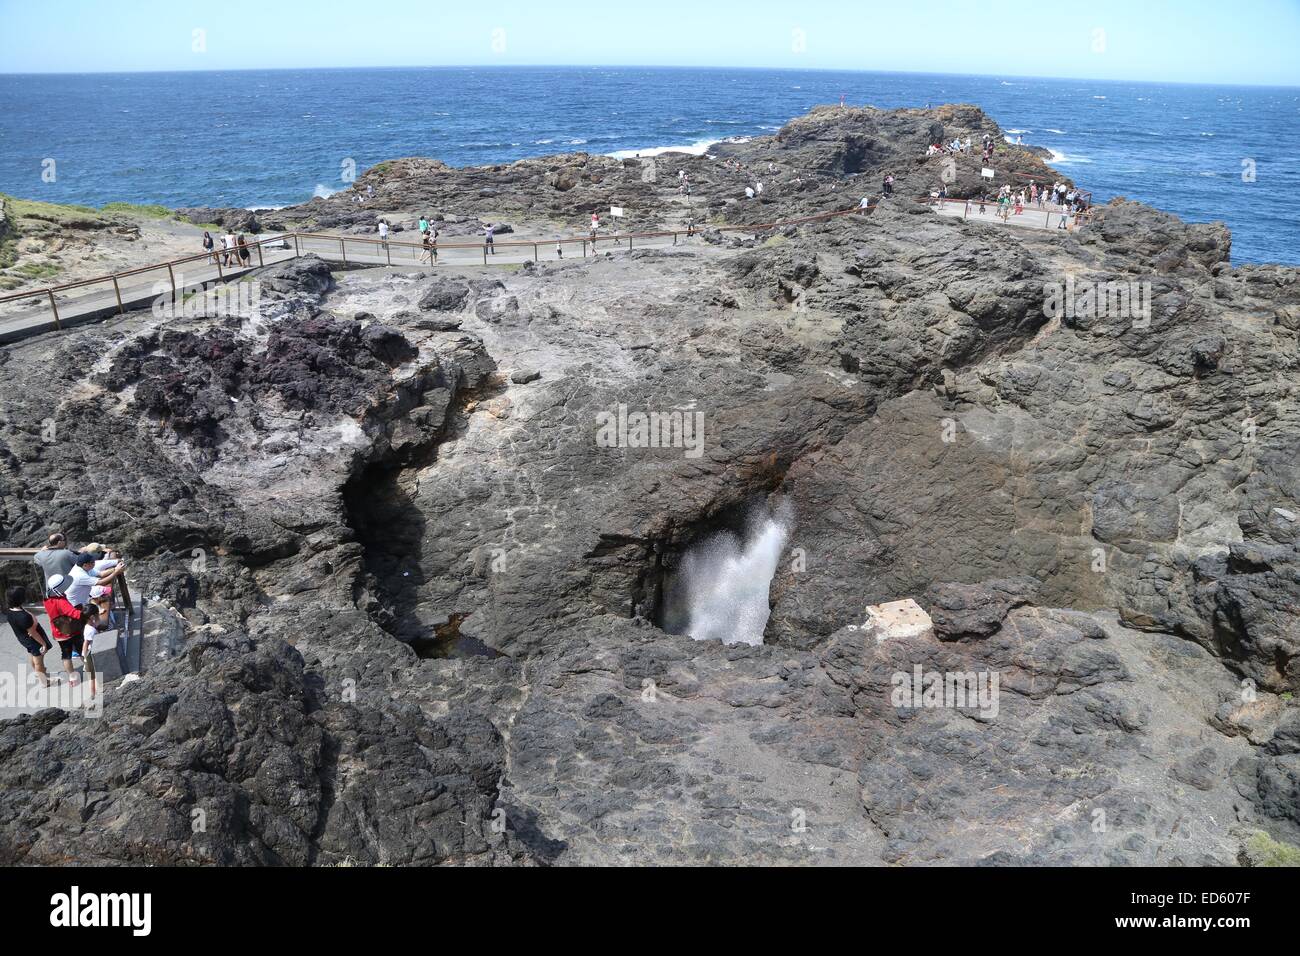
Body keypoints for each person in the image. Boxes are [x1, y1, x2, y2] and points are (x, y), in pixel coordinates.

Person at [42, 575, 95, 694]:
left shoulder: (46, 599)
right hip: (71, 630)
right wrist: (86, 615)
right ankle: (89, 670)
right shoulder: (61, 601)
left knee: (66, 654)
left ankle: (72, 678)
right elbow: (72, 613)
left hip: (58, 631)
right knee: (82, 649)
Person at [6, 586, 52, 687]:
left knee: (33, 655)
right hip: (33, 640)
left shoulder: (10, 611)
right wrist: (43, 643)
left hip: (24, 639)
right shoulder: (23, 617)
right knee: (39, 661)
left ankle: (39, 673)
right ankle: (44, 681)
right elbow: (33, 633)